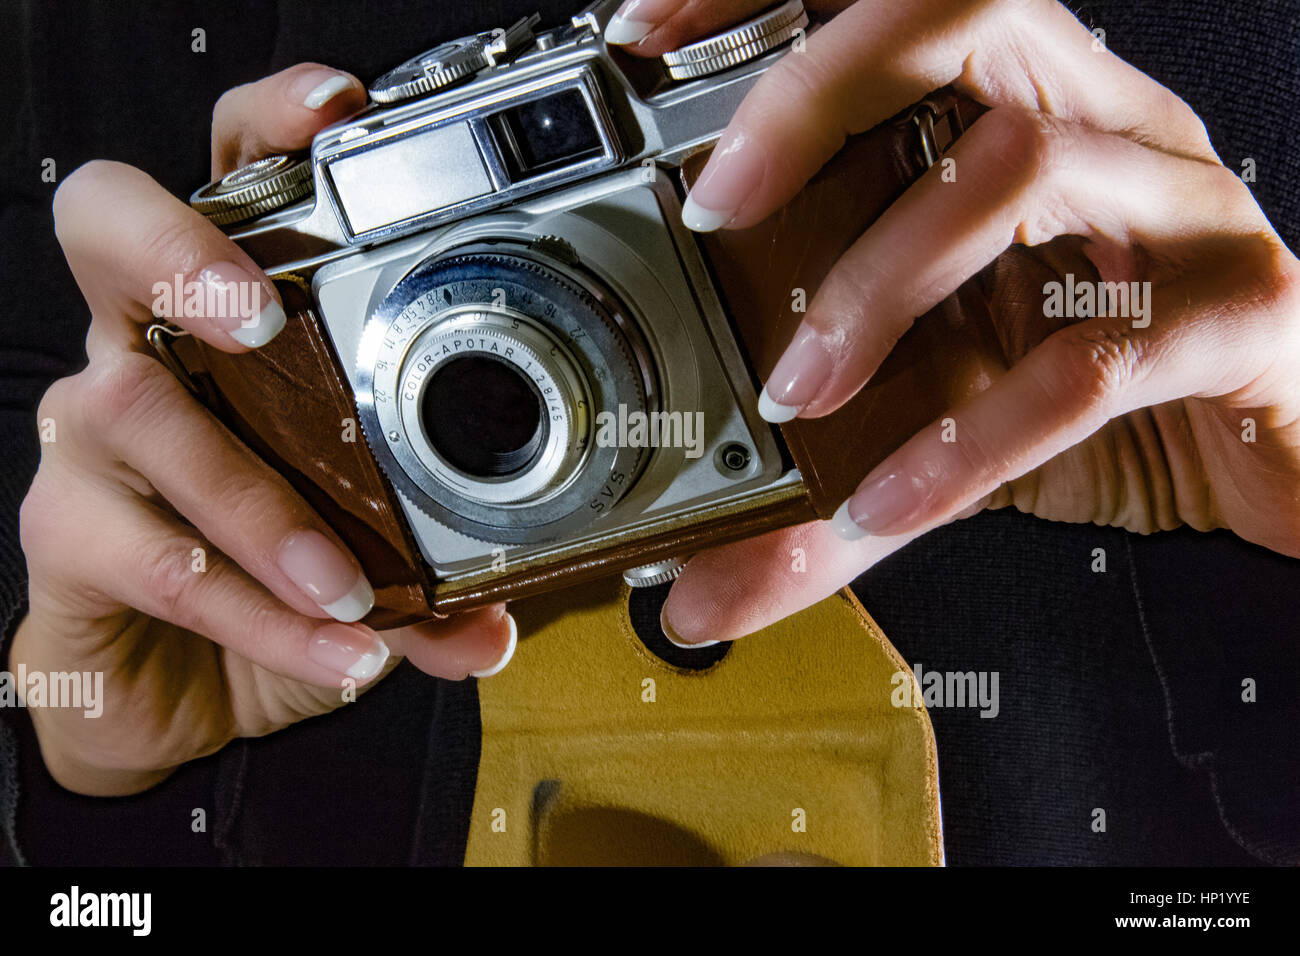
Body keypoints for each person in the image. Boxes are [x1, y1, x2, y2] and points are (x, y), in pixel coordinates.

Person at [1, 0, 1296, 866]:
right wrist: (113, 760)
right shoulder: (91, 45)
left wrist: (1264, 516)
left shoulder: (1201, 53)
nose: (492, 408)